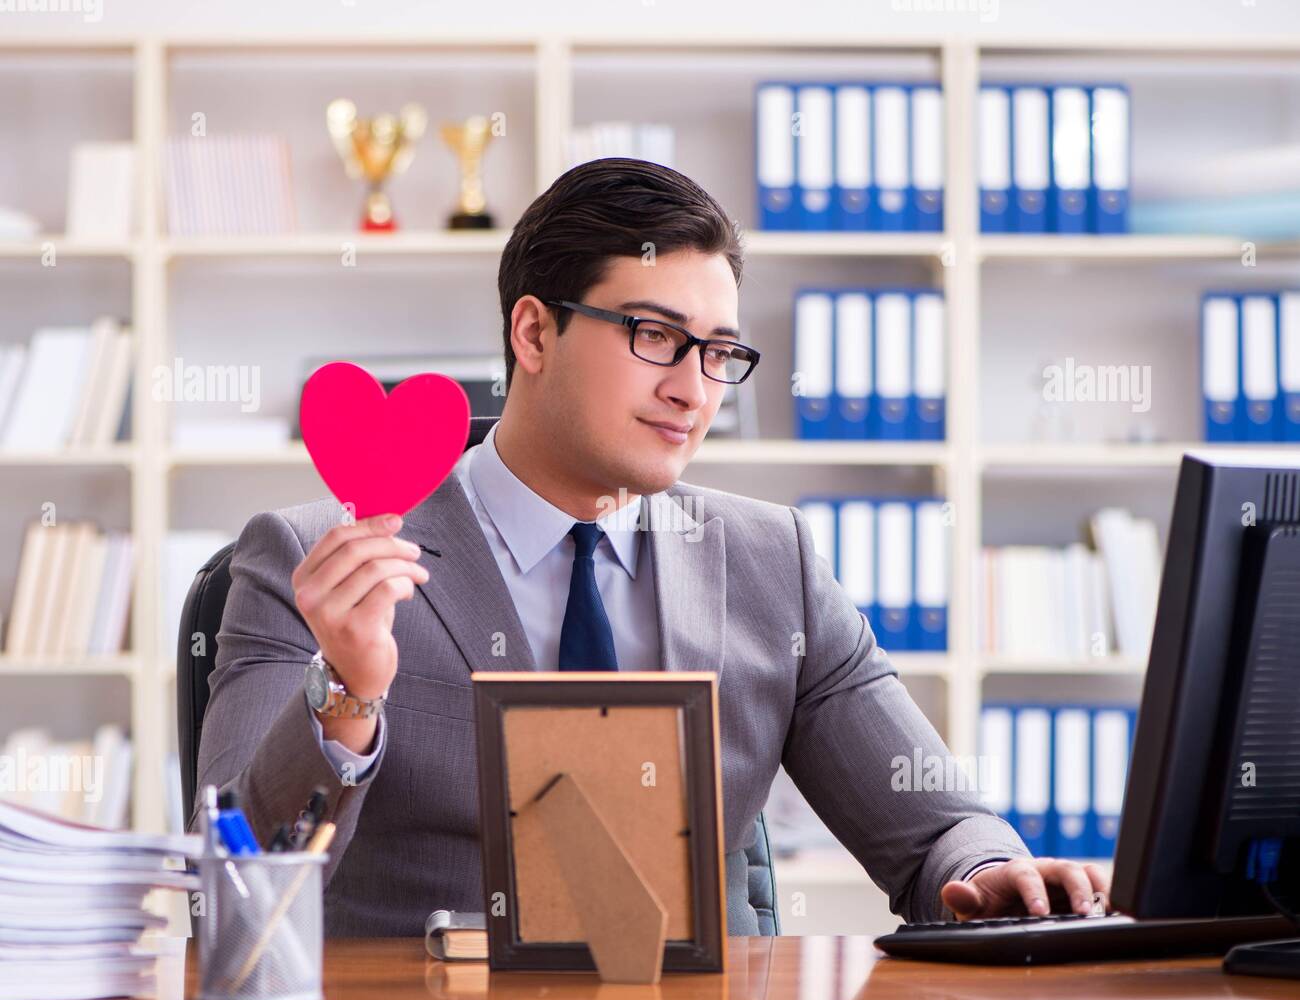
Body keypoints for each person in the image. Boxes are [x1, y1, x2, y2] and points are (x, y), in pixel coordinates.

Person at [194, 157, 1110, 936]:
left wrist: (995, 873)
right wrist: (347, 692)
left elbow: (935, 830)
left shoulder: (770, 562)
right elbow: (233, 894)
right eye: (655, 336)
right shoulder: (314, 555)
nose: (694, 390)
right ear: (533, 330)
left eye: (719, 352)